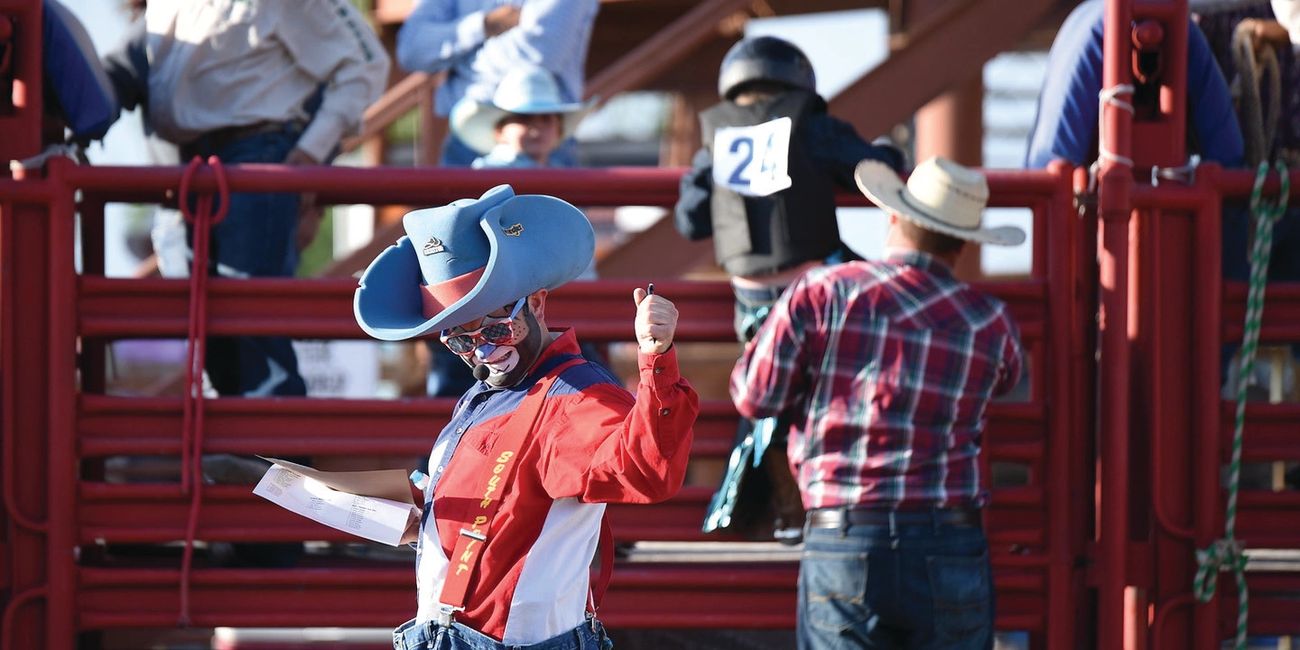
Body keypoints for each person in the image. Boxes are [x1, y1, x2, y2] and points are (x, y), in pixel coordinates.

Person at [352, 185, 698, 649]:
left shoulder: (575, 398)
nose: (483, 352)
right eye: (461, 341)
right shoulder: (483, 394)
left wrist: (656, 360)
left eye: (496, 329)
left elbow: (643, 472)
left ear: (536, 303)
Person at [731, 157, 1025, 649]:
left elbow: (754, 395)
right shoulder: (989, 321)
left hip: (847, 531)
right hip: (951, 536)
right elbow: (1009, 379)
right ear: (962, 243)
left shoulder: (825, 292)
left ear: (894, 216)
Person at [674, 35, 905, 542]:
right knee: (836, 385)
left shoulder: (716, 139)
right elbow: (872, 170)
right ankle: (821, 498)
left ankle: (783, 508)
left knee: (768, 397)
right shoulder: (814, 127)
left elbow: (690, 220)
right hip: (815, 297)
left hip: (750, 304)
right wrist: (889, 151)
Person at [144, 0, 390, 397]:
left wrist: (310, 152)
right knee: (211, 332)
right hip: (187, 165)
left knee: (252, 329)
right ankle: (247, 432)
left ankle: (272, 434)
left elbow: (365, 63)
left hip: (253, 154)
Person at [396, 0, 599, 166]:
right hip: (468, 140)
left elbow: (537, 54)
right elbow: (411, 51)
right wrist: (486, 25)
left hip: (542, 145)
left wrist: (460, 54)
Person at [449, 65, 594, 169]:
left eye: (546, 119)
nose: (536, 128)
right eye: (524, 118)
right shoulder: (488, 171)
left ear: (559, 132)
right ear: (500, 131)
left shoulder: (561, 174)